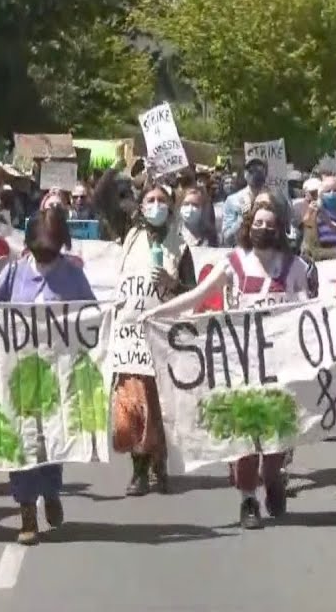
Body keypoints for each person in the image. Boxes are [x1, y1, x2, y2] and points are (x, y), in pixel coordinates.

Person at [140, 198, 312, 529]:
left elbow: (310, 307)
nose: (263, 228)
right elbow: (198, 296)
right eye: (257, 223)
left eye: (269, 224)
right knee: (244, 440)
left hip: (280, 367)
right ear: (248, 226)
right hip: (239, 367)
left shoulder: (295, 267)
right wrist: (158, 314)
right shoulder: (233, 264)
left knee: (276, 443)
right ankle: (248, 501)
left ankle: (274, 480)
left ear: (279, 229)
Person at [0, 207, 96, 544]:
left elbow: (90, 317)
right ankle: (26, 512)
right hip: (19, 373)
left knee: (51, 435)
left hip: (58, 373)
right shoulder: (14, 273)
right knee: (22, 440)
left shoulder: (72, 276)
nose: (45, 254)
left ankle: (51, 491)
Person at [110, 184, 195, 495]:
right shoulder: (129, 236)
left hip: (162, 340)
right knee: (130, 407)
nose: (156, 205)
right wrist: (120, 173)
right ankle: (138, 470)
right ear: (141, 206)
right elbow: (104, 197)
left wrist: (174, 283)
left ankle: (158, 462)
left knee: (158, 407)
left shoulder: (180, 246)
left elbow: (193, 292)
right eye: (150, 200)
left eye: (162, 200)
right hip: (129, 337)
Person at [301, 175, 336, 261]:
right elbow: (308, 251)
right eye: (328, 191)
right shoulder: (313, 219)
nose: (332, 194)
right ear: (321, 196)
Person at [221, 157, 269, 246]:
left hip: (268, 254)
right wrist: (243, 219)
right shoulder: (233, 200)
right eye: (251, 170)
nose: (255, 173)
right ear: (245, 174)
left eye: (259, 169)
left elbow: (288, 232)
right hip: (242, 253)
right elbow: (227, 238)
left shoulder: (276, 198)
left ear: (266, 173)